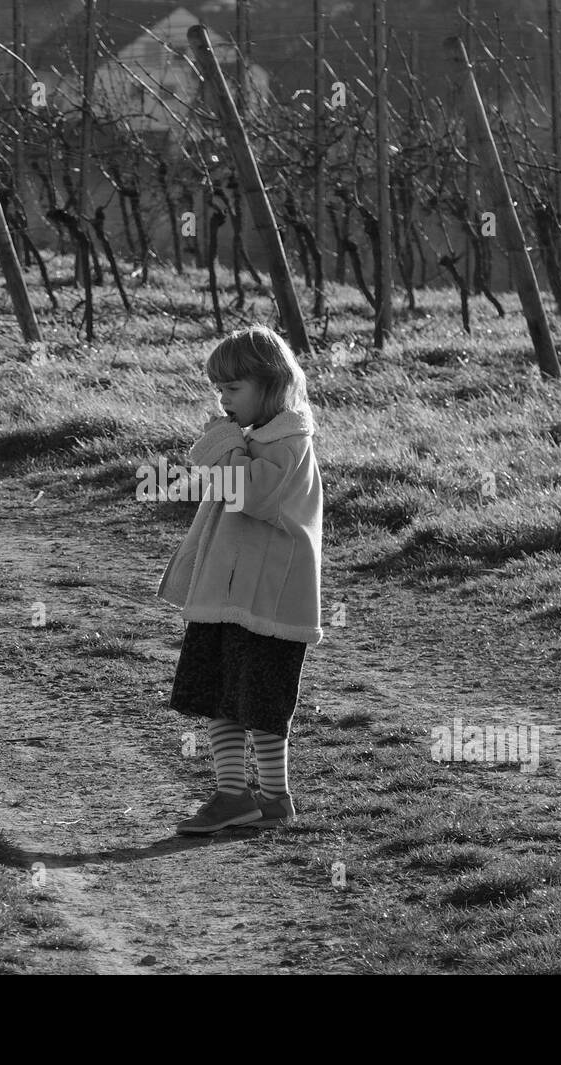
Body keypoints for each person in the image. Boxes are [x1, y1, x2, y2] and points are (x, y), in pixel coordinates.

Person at [157, 325, 323, 835]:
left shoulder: (287, 444)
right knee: (221, 698)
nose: (223, 400)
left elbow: (251, 497)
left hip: (267, 603)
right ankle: (235, 795)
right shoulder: (253, 440)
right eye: (219, 390)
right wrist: (230, 442)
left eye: (233, 389)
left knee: (262, 703)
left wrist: (224, 444)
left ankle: (274, 798)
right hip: (225, 599)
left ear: (270, 386)